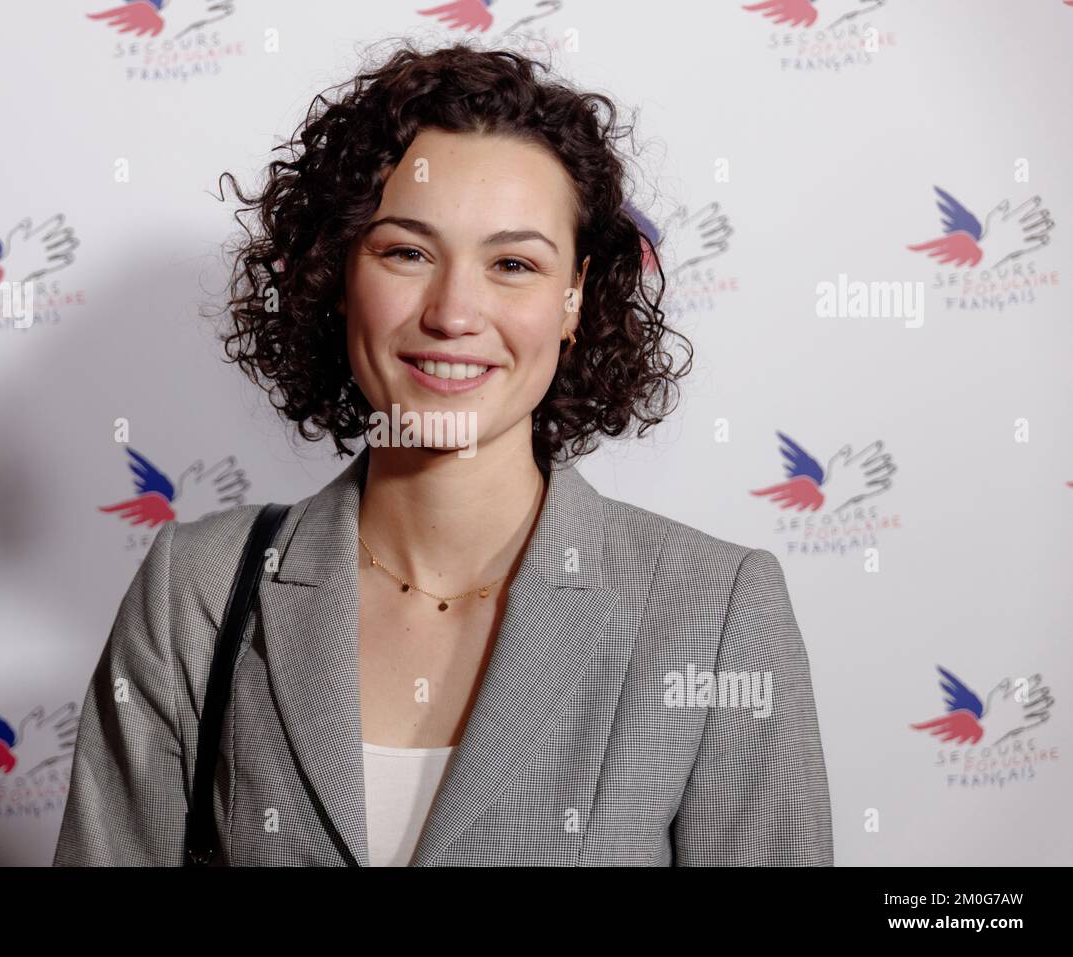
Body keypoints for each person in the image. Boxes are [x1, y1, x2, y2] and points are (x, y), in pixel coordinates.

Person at [54, 41, 832, 866]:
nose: (455, 312)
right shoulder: (196, 589)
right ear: (338, 272)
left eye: (513, 264)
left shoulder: (714, 613)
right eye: (407, 252)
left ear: (574, 300)